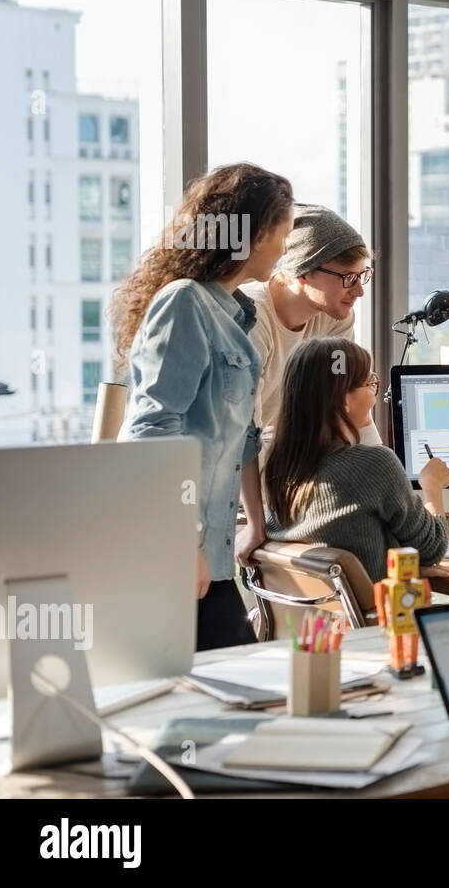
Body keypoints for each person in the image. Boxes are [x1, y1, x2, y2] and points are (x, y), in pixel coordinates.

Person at [115, 162, 293, 650]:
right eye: (284, 231)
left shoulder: (239, 315)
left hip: (213, 558)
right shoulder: (184, 303)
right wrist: (182, 541)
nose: (285, 247)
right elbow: (152, 431)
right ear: (258, 234)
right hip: (172, 554)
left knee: (230, 697)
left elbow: (245, 438)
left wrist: (256, 525)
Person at [263, 337, 449, 582]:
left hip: (316, 619)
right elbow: (432, 549)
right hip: (374, 619)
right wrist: (432, 486)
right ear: (344, 401)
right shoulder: (374, 464)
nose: (375, 395)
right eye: (369, 383)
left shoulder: (279, 469)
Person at [241, 204, 377, 461]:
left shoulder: (337, 317)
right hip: (233, 467)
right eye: (349, 278)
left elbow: (348, 402)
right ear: (303, 273)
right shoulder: (251, 317)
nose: (359, 291)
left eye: (362, 276)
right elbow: (244, 432)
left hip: (287, 456)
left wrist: (384, 477)